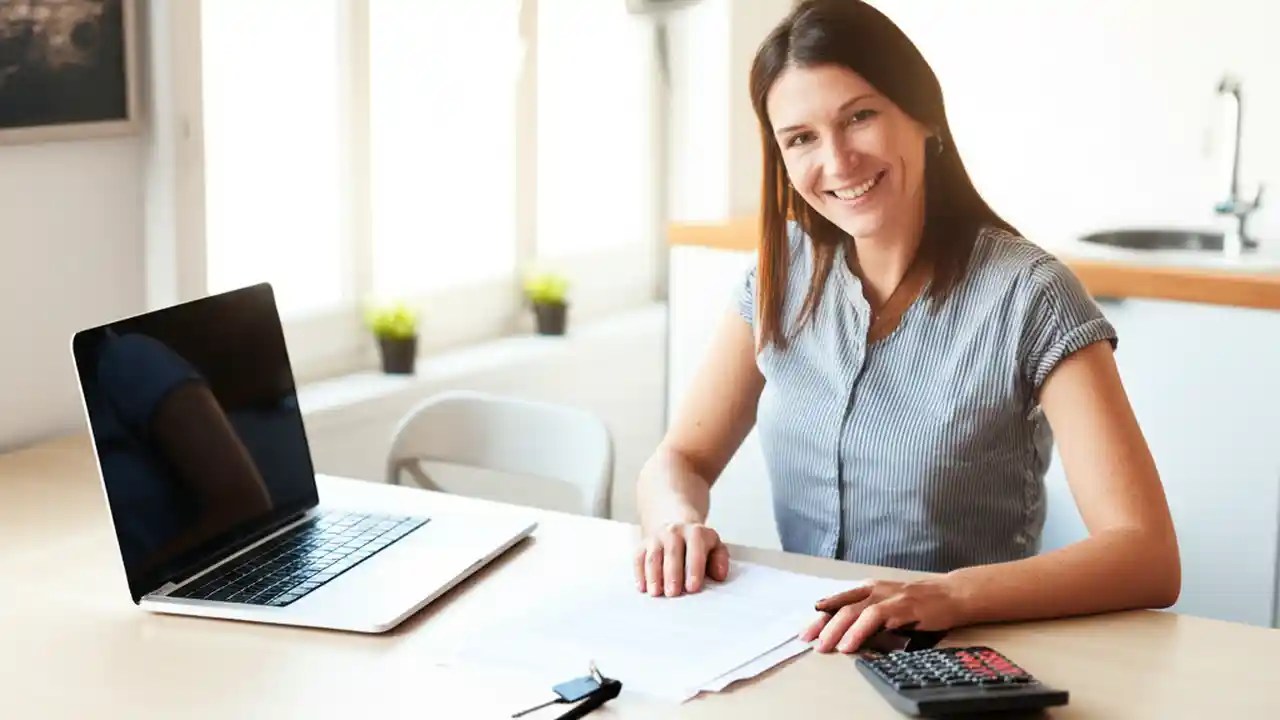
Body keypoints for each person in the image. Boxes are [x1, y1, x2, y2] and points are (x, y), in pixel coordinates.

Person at [634, 0, 1180, 655]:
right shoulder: (780, 274)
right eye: (800, 138)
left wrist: (947, 594)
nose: (836, 162)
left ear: (922, 115)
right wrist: (674, 520)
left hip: (966, 658)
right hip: (811, 653)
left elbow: (1146, 554)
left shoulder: (1031, 295)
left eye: (859, 116)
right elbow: (680, 461)